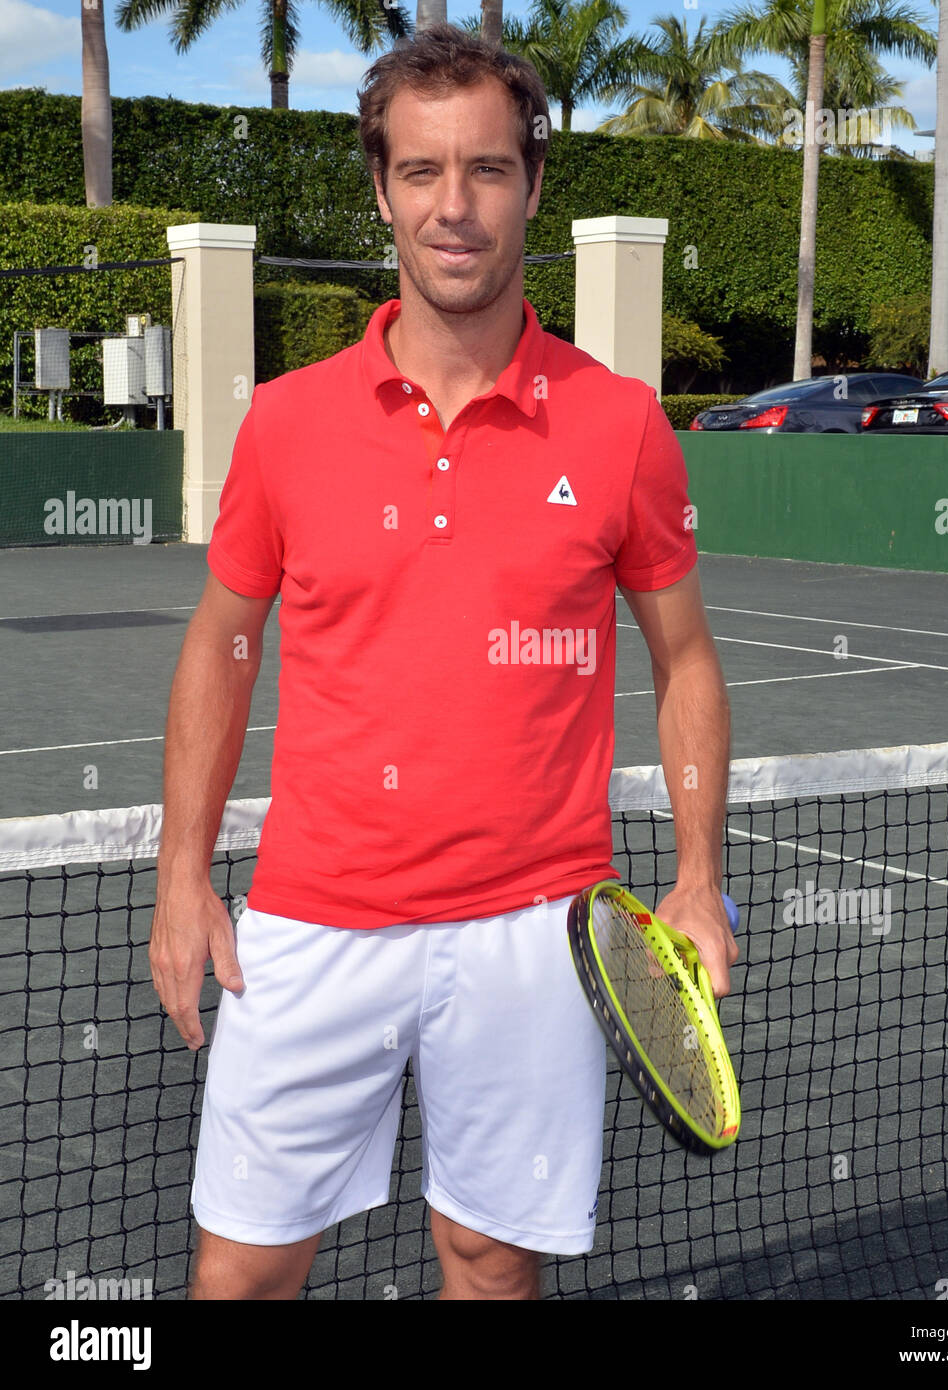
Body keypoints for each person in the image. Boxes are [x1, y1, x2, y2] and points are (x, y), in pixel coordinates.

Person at [150, 21, 737, 1302]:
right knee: (242, 1270)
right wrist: (181, 876)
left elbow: (685, 657)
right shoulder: (287, 421)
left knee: (489, 1264)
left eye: (485, 169)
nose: (452, 205)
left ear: (533, 184)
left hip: (536, 927)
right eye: (420, 170)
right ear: (382, 189)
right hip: (312, 916)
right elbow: (222, 640)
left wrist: (699, 878)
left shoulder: (623, 425)